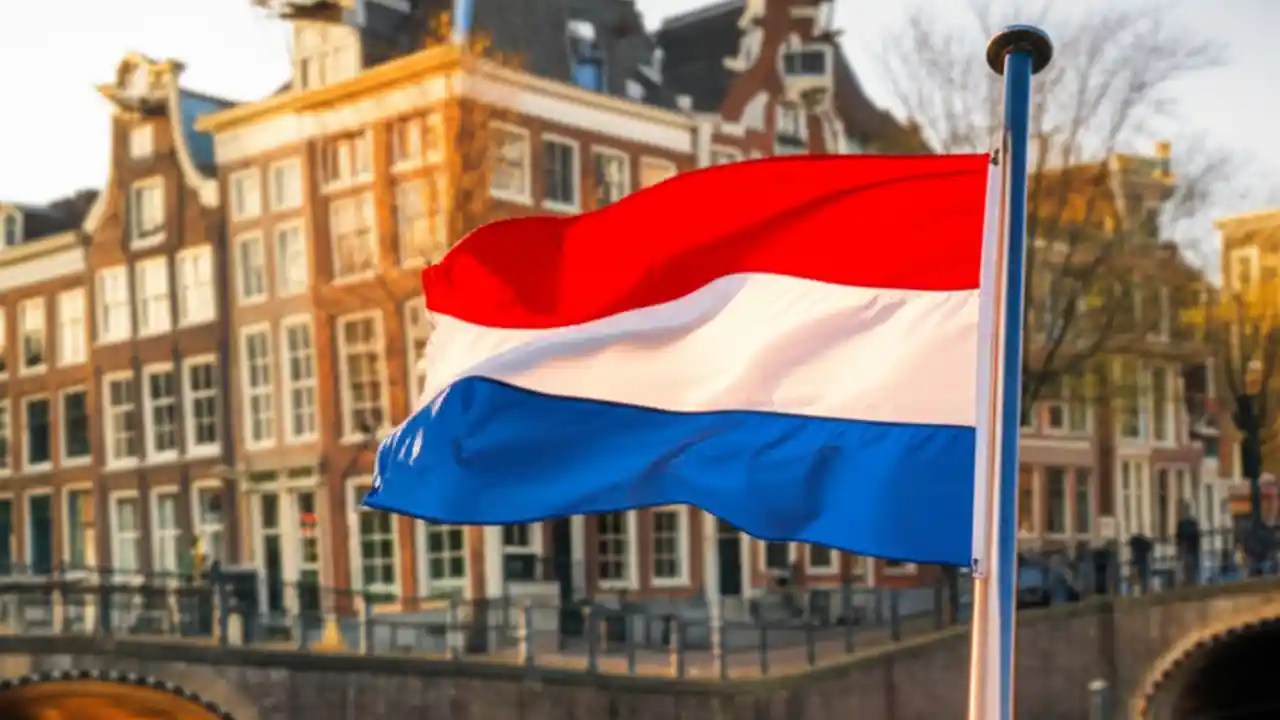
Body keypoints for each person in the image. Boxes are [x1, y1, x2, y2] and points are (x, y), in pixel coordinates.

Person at [1175, 502, 1201, 586]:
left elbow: (1178, 537)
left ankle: (1188, 580)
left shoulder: (1183, 523)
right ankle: (1190, 580)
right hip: (1190, 549)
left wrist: (1180, 547)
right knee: (1189, 565)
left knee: (1186, 565)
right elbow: (1196, 537)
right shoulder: (1192, 523)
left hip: (1186, 548)